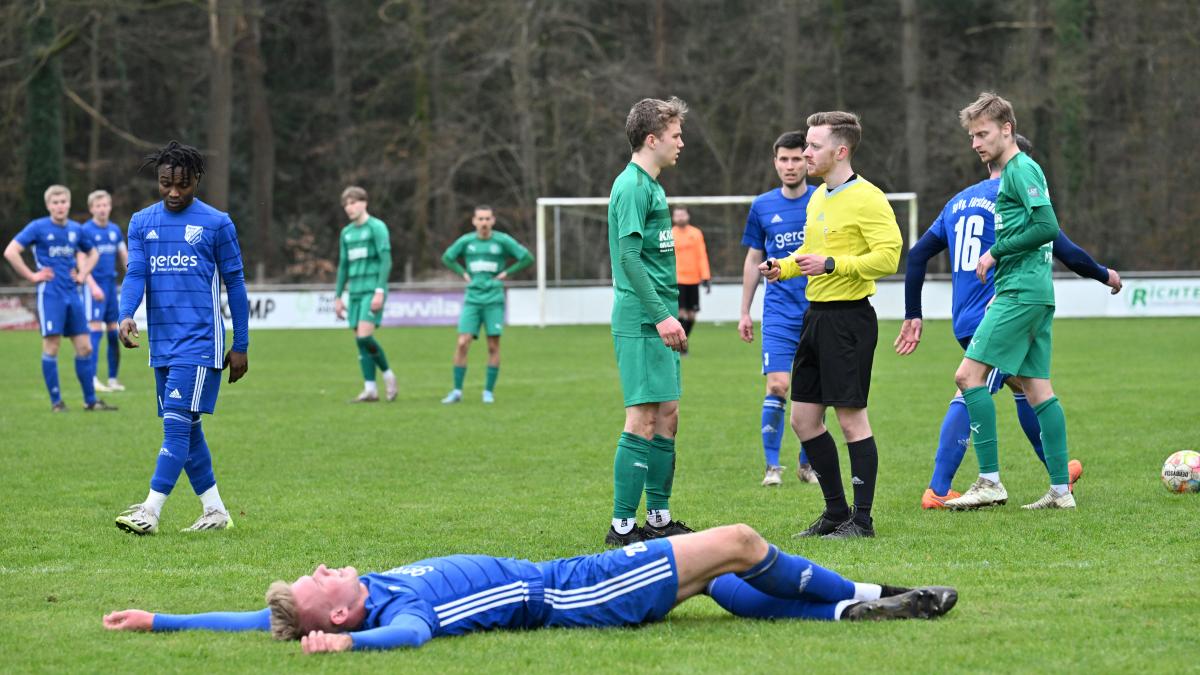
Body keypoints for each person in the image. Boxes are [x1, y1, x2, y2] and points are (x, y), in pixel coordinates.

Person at [102, 523, 958, 654]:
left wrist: (160, 618)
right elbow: (412, 639)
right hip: (577, 593)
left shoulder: (378, 582)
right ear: (340, 610)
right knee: (736, 541)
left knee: (720, 575)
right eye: (321, 582)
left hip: (573, 575)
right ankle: (880, 584)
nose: (325, 568)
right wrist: (351, 643)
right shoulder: (396, 610)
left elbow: (255, 618)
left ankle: (847, 608)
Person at [897, 134, 1121, 509]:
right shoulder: (1013, 200)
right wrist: (1104, 274)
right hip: (999, 309)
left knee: (1025, 386)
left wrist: (912, 313)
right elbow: (1066, 251)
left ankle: (1059, 477)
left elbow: (917, 254)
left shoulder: (959, 201)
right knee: (969, 386)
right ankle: (939, 488)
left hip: (963, 315)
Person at [760, 111, 902, 539]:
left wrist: (833, 264)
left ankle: (862, 520)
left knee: (851, 420)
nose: (806, 152)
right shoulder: (819, 196)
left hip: (849, 319)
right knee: (803, 420)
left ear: (840, 151)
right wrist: (782, 267)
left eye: (814, 146)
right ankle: (835, 512)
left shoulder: (869, 198)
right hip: (815, 317)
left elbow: (889, 257)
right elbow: (809, 253)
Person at [940, 93, 1078, 511]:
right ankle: (1061, 490)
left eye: (982, 134)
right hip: (1032, 292)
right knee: (1037, 389)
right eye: (972, 136)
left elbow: (1047, 225)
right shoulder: (1017, 172)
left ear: (1007, 129)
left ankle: (990, 481)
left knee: (968, 377)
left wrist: (995, 252)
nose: (976, 143)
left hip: (1020, 293)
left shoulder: (1021, 169)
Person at [113, 141, 250, 535]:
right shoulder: (141, 222)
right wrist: (125, 314)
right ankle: (215, 511)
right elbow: (136, 273)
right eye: (166, 184)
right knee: (188, 429)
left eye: (183, 185)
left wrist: (241, 344)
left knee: (175, 426)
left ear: (196, 181)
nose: (174, 192)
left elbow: (236, 283)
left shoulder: (217, 223)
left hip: (200, 342)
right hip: (162, 344)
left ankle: (150, 511)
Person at [604, 97, 694, 546]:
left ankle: (658, 518)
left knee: (667, 416)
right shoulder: (632, 187)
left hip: (659, 318)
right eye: (676, 135)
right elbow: (628, 257)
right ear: (652, 139)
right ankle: (622, 526)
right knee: (641, 418)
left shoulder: (654, 186)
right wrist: (661, 316)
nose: (681, 142)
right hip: (643, 320)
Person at [739, 131, 819, 487]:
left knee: (814, 391)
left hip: (818, 310)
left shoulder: (823, 200)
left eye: (796, 158)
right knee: (778, 385)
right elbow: (753, 257)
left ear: (807, 161)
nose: (790, 166)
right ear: (775, 162)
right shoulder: (762, 206)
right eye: (784, 159)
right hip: (778, 313)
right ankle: (773, 467)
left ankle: (807, 463)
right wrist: (744, 310)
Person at [4, 185, 115, 412]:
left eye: (63, 202)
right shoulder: (38, 227)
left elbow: (93, 253)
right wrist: (32, 276)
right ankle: (57, 402)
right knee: (52, 346)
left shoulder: (76, 229)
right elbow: (11, 251)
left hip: (72, 294)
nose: (59, 206)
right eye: (55, 203)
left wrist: (82, 275)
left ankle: (90, 401)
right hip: (50, 295)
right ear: (48, 206)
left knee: (85, 347)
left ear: (69, 203)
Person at [439, 205, 533, 404]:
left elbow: (527, 258)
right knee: (462, 342)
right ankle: (457, 391)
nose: (484, 223)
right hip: (473, 298)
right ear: (474, 221)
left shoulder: (502, 241)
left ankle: (488, 392)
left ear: (493, 221)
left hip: (494, 298)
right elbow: (447, 257)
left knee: (492, 345)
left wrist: (506, 273)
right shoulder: (466, 242)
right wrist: (463, 273)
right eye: (480, 219)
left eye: (487, 219)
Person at [333, 186, 398, 403]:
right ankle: (370, 389)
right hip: (355, 292)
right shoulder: (346, 233)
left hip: (372, 290)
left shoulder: (377, 227)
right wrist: (338, 296)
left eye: (353, 203)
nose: (349, 208)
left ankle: (388, 375)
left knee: (364, 337)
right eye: (346, 204)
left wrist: (379, 290)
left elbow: (386, 260)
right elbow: (343, 265)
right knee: (360, 341)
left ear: (364, 203)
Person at [81, 189, 128, 393]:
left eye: (105, 205)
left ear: (110, 206)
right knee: (95, 330)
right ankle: (92, 378)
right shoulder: (86, 231)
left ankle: (112, 378)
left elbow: (124, 256)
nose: (102, 209)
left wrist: (134, 277)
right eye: (98, 206)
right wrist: (91, 285)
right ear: (91, 208)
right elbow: (81, 260)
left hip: (110, 285)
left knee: (113, 333)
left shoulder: (114, 230)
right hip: (94, 286)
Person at [671, 206, 710, 355]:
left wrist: (706, 276)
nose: (680, 217)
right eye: (677, 215)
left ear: (688, 216)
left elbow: (702, 255)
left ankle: (683, 340)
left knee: (692, 314)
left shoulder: (696, 233)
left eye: (682, 214)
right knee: (681, 313)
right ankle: (681, 345)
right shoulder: (670, 234)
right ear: (673, 218)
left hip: (693, 279)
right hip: (677, 279)